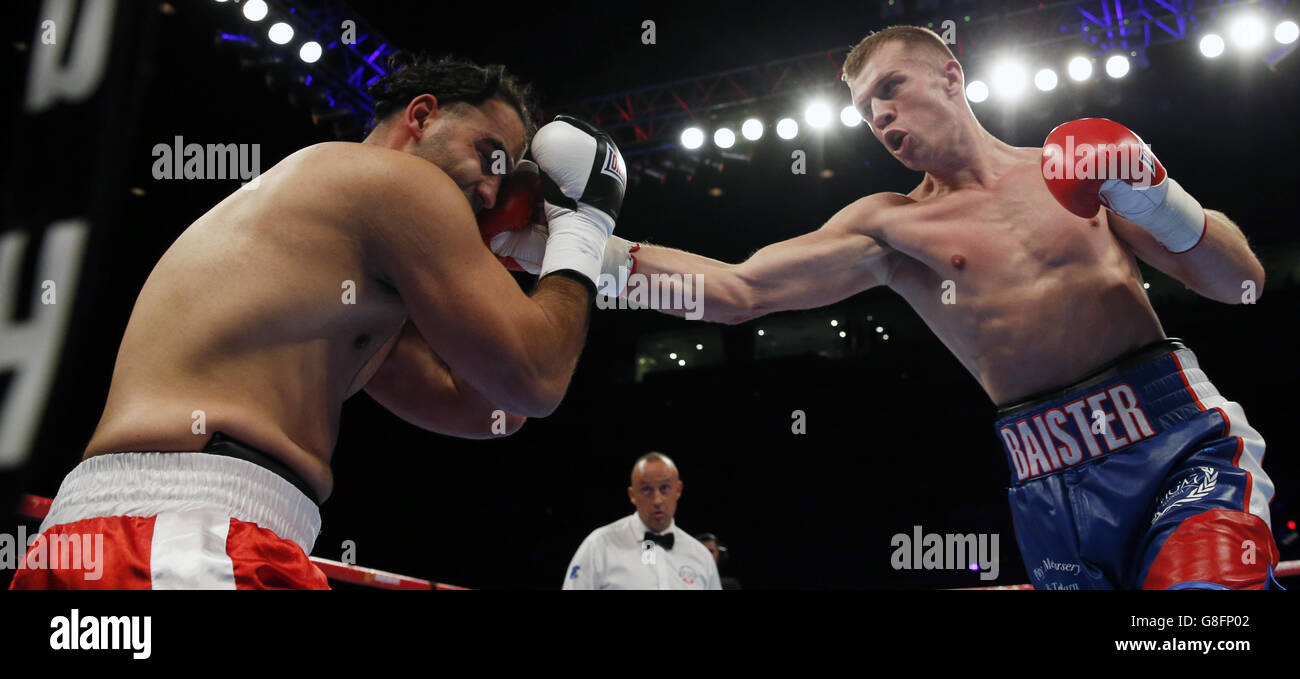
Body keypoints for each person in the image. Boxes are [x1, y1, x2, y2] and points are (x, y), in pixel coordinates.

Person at [497, 27, 1280, 590]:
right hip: (1049, 484)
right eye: (867, 111)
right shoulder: (891, 228)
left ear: (950, 75)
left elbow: (1239, 283)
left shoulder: (1073, 170)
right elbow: (739, 293)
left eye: (890, 91)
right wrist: (555, 250)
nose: (880, 119)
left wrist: (1158, 193)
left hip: (1176, 443)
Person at [11, 53, 630, 589]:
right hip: (190, 536)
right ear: (422, 115)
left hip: (98, 538)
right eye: (490, 156)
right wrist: (583, 227)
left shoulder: (325, 267)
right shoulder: (398, 182)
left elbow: (493, 405)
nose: (491, 193)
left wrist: (501, 263)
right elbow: (536, 380)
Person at [563, 453, 720, 590]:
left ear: (678, 490)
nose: (657, 500)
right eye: (646, 490)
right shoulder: (599, 545)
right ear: (632, 494)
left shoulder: (700, 555)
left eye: (664, 488)